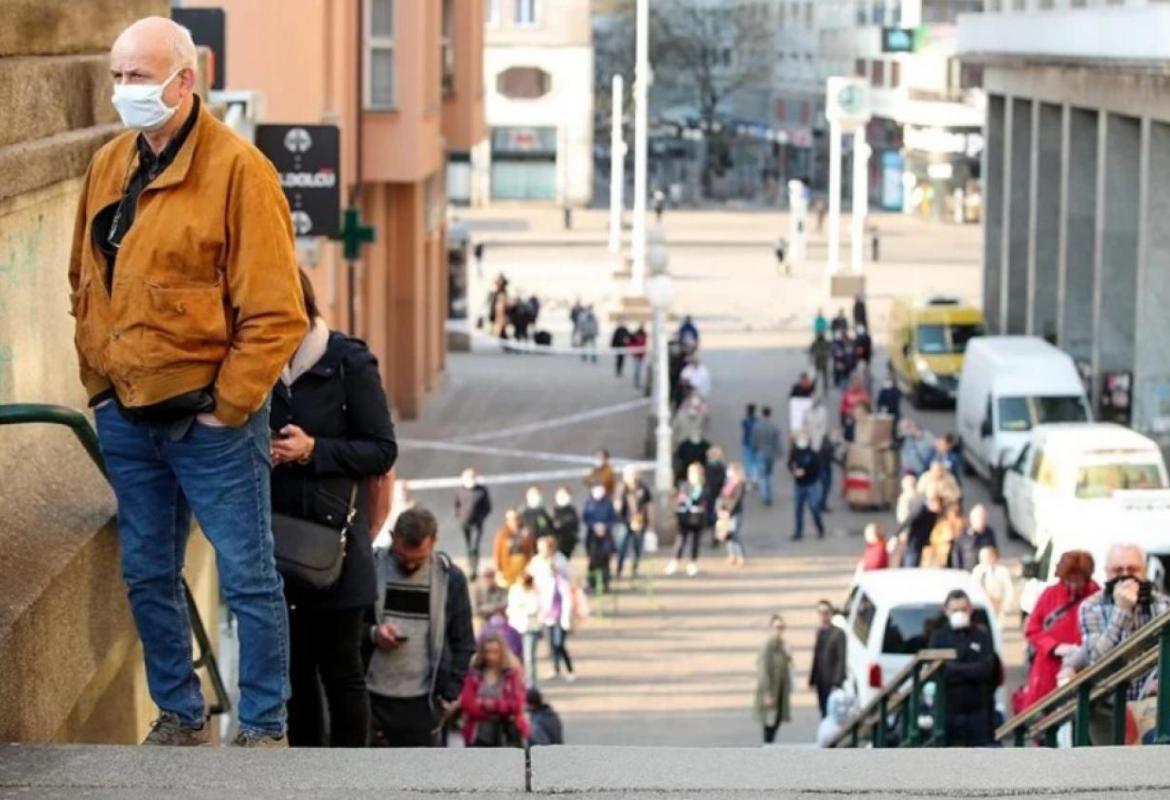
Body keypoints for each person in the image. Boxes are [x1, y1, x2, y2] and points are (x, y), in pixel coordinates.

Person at [72, 17, 310, 748]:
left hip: (212, 422)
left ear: (185, 81)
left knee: (247, 579)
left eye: (138, 78)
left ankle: (263, 725)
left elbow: (277, 314)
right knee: (147, 571)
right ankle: (180, 713)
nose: (124, 91)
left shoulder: (240, 171)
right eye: (117, 77)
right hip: (129, 413)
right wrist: (100, 388)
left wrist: (226, 408)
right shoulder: (111, 163)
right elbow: (84, 282)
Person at [271, 272, 398, 748]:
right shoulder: (253, 364)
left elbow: (381, 450)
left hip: (336, 545)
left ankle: (351, 779)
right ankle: (307, 779)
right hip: (277, 544)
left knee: (342, 672)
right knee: (294, 674)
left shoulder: (347, 361)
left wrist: (313, 450)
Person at [368, 507, 475, 747]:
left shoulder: (450, 579)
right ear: (393, 537)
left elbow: (464, 642)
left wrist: (449, 694)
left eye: (418, 559)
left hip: (422, 702)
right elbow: (348, 628)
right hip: (370, 697)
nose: (408, 566)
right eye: (402, 557)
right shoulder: (370, 567)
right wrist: (374, 634)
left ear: (434, 542)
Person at [1016, 551, 1097, 713]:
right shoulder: (1050, 594)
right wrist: (1054, 646)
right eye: (1069, 580)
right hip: (1048, 668)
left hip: (1081, 668)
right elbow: (1032, 629)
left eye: (1078, 581)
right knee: (1043, 716)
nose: (1073, 586)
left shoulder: (1096, 595)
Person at [928, 589, 999, 747]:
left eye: (963, 609)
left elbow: (986, 669)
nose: (960, 613)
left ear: (970, 609)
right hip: (947, 709)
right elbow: (938, 671)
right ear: (946, 611)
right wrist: (970, 669)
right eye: (955, 610)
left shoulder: (982, 636)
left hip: (977, 710)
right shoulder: (939, 637)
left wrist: (955, 669)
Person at [458, 630, 530, 748]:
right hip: (478, 736)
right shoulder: (474, 675)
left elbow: (516, 704)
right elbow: (468, 704)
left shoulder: (511, 675)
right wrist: (498, 711)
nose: (490, 656)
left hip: (507, 734)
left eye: (495, 652)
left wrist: (487, 704)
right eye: (487, 652)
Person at [528, 536, 576, 682]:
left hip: (559, 610)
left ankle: (569, 669)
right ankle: (555, 668)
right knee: (550, 643)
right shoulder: (536, 562)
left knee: (559, 643)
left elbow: (567, 584)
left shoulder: (560, 562)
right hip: (544, 609)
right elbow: (531, 579)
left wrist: (567, 616)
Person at [753, 614, 793, 744]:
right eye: (776, 627)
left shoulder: (782, 646)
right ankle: (767, 749)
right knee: (769, 723)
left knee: (776, 722)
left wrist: (788, 655)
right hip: (770, 692)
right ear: (770, 628)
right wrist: (767, 693)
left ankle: (769, 747)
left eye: (781, 627)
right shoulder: (767, 647)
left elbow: (789, 666)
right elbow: (763, 671)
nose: (779, 630)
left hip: (780, 691)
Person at [668, 462, 708, 577]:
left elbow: (705, 502)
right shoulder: (684, 486)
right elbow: (679, 499)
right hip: (684, 518)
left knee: (695, 542)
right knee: (680, 540)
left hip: (697, 519)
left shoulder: (704, 488)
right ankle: (675, 561)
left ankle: (692, 563)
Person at [809, 601, 846, 718]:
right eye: (820, 613)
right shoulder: (820, 632)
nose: (823, 616)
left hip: (832, 682)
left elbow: (841, 659)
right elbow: (817, 657)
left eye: (825, 612)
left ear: (831, 614)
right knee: (823, 710)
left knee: (831, 712)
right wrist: (812, 679)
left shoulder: (838, 633)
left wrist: (837, 683)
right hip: (821, 681)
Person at [615, 465, 653, 578]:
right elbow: (617, 505)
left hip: (640, 522)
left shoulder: (643, 488)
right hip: (625, 522)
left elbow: (649, 505)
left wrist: (650, 521)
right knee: (622, 546)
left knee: (637, 547)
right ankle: (619, 568)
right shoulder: (622, 488)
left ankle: (634, 568)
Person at [455, 468, 492, 580]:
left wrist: (481, 517)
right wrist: (459, 516)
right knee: (468, 545)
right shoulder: (460, 490)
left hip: (477, 523)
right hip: (465, 522)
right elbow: (457, 505)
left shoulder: (482, 491)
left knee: (475, 546)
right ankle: (470, 564)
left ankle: (474, 569)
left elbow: (488, 507)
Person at [506, 574, 543, 689]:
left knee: (529, 657)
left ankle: (531, 685)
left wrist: (523, 607)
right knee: (516, 657)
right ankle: (517, 683)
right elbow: (512, 608)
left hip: (531, 628)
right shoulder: (515, 590)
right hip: (516, 627)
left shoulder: (535, 591)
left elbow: (535, 607)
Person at [787, 432, 824, 541]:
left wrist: (805, 472)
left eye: (804, 439)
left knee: (814, 508)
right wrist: (794, 471)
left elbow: (817, 469)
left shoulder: (813, 454)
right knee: (798, 509)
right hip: (799, 485)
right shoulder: (795, 452)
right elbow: (789, 464)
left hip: (811, 484)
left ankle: (820, 528)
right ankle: (798, 532)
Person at [583, 483, 619, 593]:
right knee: (593, 561)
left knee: (605, 561)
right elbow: (585, 518)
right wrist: (595, 526)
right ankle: (592, 583)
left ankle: (605, 583)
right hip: (592, 536)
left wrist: (605, 527)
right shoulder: (589, 503)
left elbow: (613, 518)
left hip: (606, 536)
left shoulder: (608, 503)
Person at [804, 397, 833, 514]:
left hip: (813, 449)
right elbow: (825, 429)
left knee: (818, 477)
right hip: (821, 449)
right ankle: (821, 502)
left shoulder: (807, 414)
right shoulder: (823, 412)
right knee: (825, 479)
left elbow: (805, 430)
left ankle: (817, 501)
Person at [749, 406, 782, 506]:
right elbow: (777, 442)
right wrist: (779, 453)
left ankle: (765, 497)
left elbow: (753, 440)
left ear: (762, 414)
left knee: (762, 476)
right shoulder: (774, 426)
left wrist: (753, 450)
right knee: (770, 475)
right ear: (770, 414)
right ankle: (770, 495)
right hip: (771, 454)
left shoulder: (757, 426)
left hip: (760, 453)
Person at [493, 510, 536, 587]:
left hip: (523, 566)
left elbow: (531, 551)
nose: (514, 521)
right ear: (507, 521)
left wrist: (530, 566)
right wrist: (498, 570)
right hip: (508, 567)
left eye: (516, 518)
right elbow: (497, 553)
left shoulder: (526, 534)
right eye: (511, 519)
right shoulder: (502, 535)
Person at [972, 546, 1015, 623]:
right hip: (982, 604)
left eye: (986, 557)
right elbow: (974, 588)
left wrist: (1005, 605)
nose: (984, 560)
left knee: (997, 627)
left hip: (998, 604)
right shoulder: (977, 571)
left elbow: (1009, 589)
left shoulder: (1002, 570)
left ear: (993, 557)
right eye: (982, 557)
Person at [717, 462, 748, 566]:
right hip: (725, 513)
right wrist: (721, 509)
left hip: (735, 513)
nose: (728, 473)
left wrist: (729, 511)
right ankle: (731, 555)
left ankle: (740, 556)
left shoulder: (740, 485)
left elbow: (737, 500)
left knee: (734, 534)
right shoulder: (728, 483)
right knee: (727, 535)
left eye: (731, 471)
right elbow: (722, 497)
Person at [950, 504, 996, 571]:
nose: (981, 520)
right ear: (972, 519)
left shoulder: (989, 533)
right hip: (968, 572)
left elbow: (995, 552)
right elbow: (956, 556)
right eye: (979, 517)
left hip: (985, 571)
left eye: (983, 517)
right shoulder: (963, 536)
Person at [903, 491, 942, 568]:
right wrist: (898, 535)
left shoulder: (933, 513)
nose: (939, 509)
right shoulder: (920, 510)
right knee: (912, 560)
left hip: (923, 541)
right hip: (915, 541)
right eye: (938, 506)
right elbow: (908, 521)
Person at [924, 502, 963, 568]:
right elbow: (933, 538)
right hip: (943, 551)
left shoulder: (961, 522)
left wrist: (955, 537)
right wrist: (945, 538)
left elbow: (965, 536)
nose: (953, 514)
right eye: (951, 512)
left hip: (957, 548)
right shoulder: (942, 524)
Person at [551, 486, 581, 560]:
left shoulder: (572, 511)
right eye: (560, 495)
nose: (561, 497)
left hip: (568, 542)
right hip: (556, 542)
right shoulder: (554, 510)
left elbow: (575, 526)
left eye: (564, 494)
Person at [704, 446, 728, 531]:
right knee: (716, 513)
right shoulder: (721, 467)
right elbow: (723, 480)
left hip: (710, 493)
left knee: (710, 511)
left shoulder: (707, 467)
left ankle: (711, 523)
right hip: (717, 494)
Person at [740, 403, 759, 489]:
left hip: (747, 443)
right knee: (755, 462)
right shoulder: (757, 421)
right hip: (755, 444)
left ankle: (749, 482)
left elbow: (743, 428)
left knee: (748, 462)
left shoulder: (745, 421)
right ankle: (755, 478)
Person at [629, 324, 648, 389]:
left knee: (639, 369)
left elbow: (644, 344)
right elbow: (630, 343)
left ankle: (638, 382)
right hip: (637, 354)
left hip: (641, 354)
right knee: (637, 369)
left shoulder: (644, 335)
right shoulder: (635, 335)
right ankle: (636, 382)